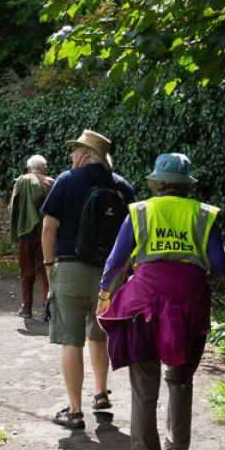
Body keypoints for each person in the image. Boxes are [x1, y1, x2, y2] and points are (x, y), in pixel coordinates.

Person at [97, 153, 225, 450]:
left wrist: (104, 292)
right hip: (189, 308)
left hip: (143, 307)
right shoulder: (203, 214)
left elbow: (116, 261)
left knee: (145, 388)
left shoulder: (140, 211)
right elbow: (219, 263)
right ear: (188, 185)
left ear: (156, 182)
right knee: (181, 378)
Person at [41, 129, 136, 430]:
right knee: (100, 333)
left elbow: (48, 226)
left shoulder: (68, 180)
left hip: (71, 269)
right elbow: (133, 232)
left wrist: (47, 265)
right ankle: (100, 394)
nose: (71, 155)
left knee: (71, 340)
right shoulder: (123, 186)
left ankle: (75, 411)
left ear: (85, 154)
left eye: (74, 150)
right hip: (110, 275)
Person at [9, 155, 54, 317]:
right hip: (45, 234)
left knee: (26, 270)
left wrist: (16, 228)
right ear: (45, 169)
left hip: (26, 234)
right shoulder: (51, 183)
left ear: (29, 169)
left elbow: (12, 207)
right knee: (44, 269)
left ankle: (26, 307)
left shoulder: (21, 181)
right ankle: (47, 306)